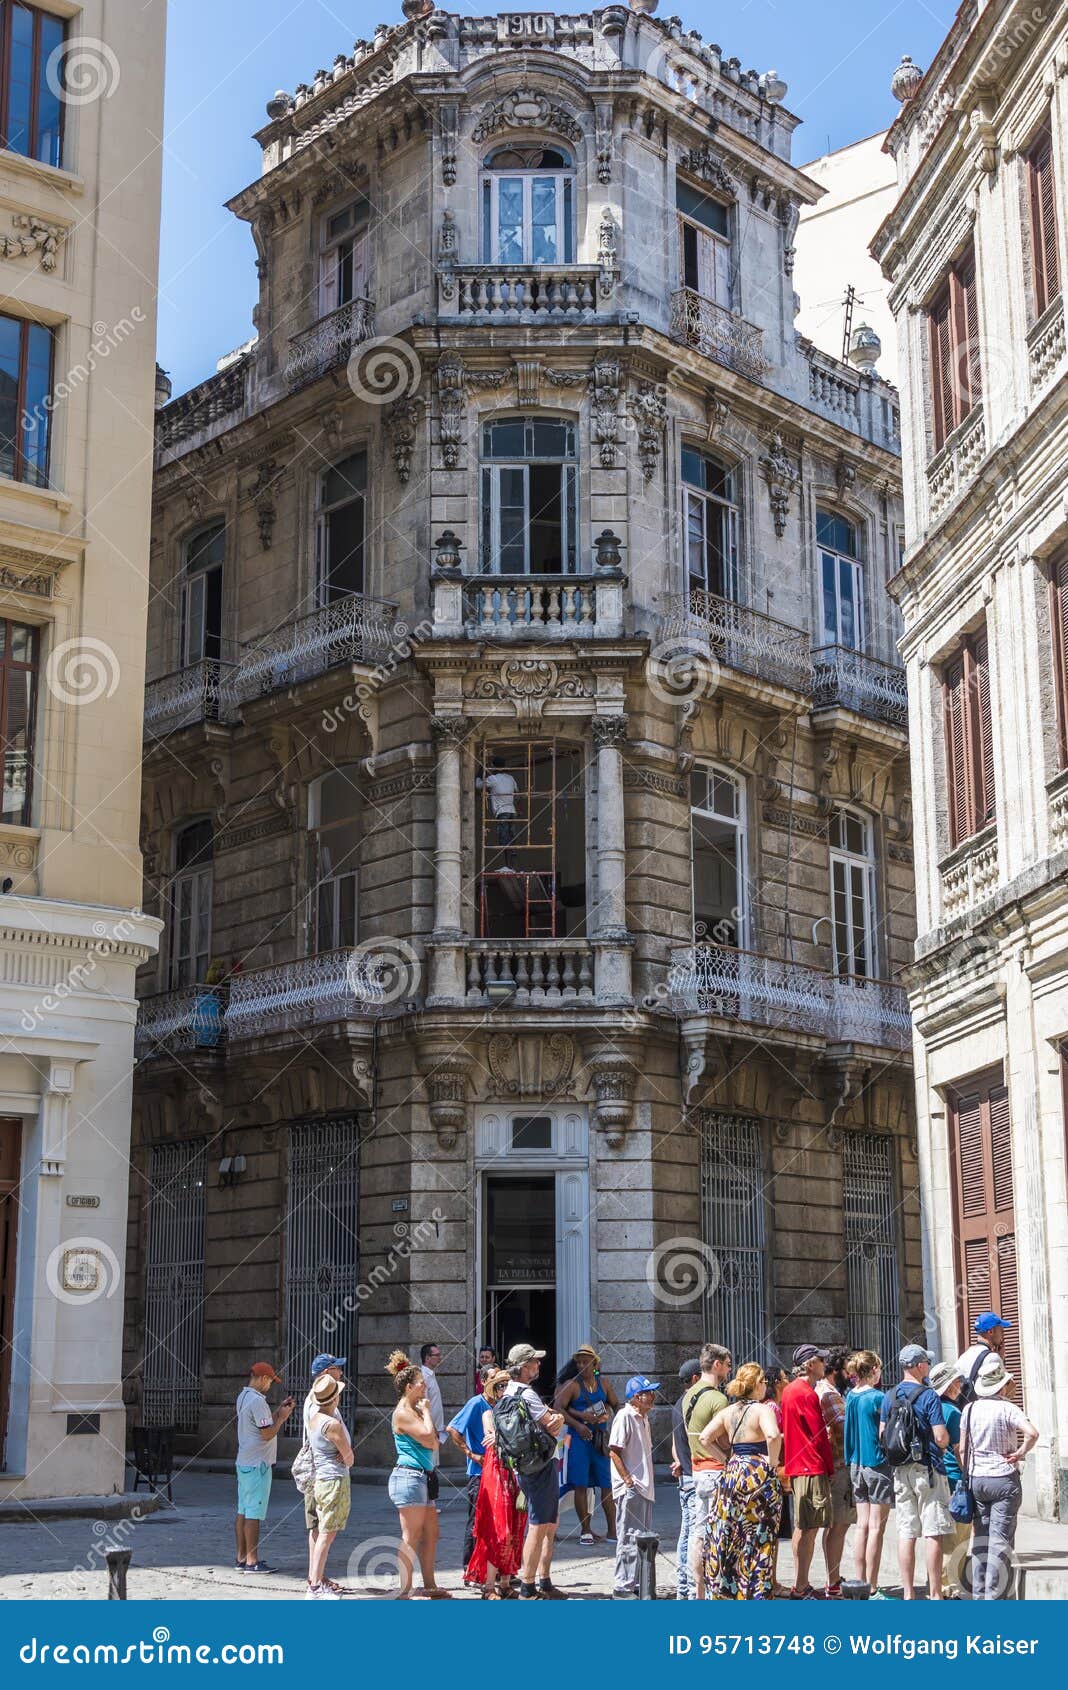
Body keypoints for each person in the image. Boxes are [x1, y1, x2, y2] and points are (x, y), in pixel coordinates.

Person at [698, 1363, 783, 1599]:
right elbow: (772, 1435)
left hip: (733, 1473)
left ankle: (729, 1591)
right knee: (759, 1535)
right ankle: (755, 1593)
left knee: (731, 1533)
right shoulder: (762, 1410)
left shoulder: (728, 1411)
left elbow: (704, 1438)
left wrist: (726, 1460)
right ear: (756, 1385)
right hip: (758, 1475)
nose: (766, 1385)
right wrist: (772, 1463)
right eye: (764, 1381)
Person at [959, 1354, 1039, 1600]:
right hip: (1003, 1477)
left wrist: (969, 1470)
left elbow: (962, 1449)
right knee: (1000, 1541)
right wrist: (1019, 1453)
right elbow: (1032, 1433)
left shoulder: (969, 1409)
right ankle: (995, 1599)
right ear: (1001, 1386)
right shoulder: (1007, 1408)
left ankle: (979, 1595)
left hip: (977, 1479)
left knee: (981, 1539)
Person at [879, 1343, 951, 1599]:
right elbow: (940, 1436)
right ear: (920, 1365)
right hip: (927, 1469)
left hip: (900, 1470)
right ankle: (935, 1593)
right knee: (933, 1531)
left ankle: (908, 1594)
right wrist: (945, 1443)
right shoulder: (929, 1395)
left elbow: (882, 1434)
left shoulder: (889, 1396)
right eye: (927, 1363)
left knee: (906, 1532)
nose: (928, 1366)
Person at [502, 1342, 568, 1600]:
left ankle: (545, 1581)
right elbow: (553, 1424)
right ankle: (528, 1587)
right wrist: (558, 1417)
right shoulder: (527, 1394)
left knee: (549, 1523)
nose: (538, 1364)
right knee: (539, 1526)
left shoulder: (508, 1391)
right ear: (522, 1367)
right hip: (540, 1465)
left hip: (526, 1464)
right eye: (534, 1361)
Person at [386, 1350, 451, 1599]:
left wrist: (425, 1417)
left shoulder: (413, 1409)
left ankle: (430, 1585)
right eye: (422, 1383)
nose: (426, 1386)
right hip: (409, 1477)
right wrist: (427, 1412)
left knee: (431, 1534)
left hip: (424, 1476)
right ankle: (404, 1589)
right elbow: (429, 1438)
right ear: (410, 1387)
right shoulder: (403, 1412)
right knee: (411, 1536)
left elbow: (431, 1441)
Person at [465, 1368, 526, 1598]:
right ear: (495, 1391)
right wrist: (506, 1436)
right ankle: (489, 1586)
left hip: (513, 1473)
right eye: (500, 1386)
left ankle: (505, 1583)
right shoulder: (488, 1413)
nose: (504, 1390)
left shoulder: (519, 1412)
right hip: (495, 1474)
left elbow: (520, 1437)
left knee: (515, 1527)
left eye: (507, 1386)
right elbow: (492, 1437)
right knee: (498, 1529)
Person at [780, 1345, 833, 1599]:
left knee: (802, 1527)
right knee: (809, 1529)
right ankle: (801, 1585)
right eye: (821, 1360)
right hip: (811, 1466)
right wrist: (829, 1467)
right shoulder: (807, 1394)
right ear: (810, 1364)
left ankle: (800, 1582)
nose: (825, 1364)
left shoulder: (789, 1391)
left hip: (798, 1465)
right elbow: (819, 1436)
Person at [554, 1343, 619, 1544]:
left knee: (606, 1484)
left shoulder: (604, 1384)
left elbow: (616, 1404)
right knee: (580, 1485)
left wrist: (610, 1416)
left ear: (595, 1364)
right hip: (579, 1440)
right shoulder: (572, 1385)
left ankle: (612, 1530)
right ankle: (585, 1530)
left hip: (599, 1441)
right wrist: (578, 1424)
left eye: (586, 1362)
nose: (582, 1365)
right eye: (579, 1362)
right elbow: (558, 1408)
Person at [681, 1342, 732, 1598]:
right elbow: (722, 1439)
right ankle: (715, 1591)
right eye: (728, 1364)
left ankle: (697, 1592)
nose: (729, 1369)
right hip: (716, 1470)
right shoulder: (718, 1399)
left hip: (697, 1471)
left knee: (698, 1534)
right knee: (719, 1534)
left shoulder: (689, 1395)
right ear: (717, 1365)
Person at [234, 1361, 294, 1573]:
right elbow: (267, 1433)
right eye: (269, 1381)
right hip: (257, 1464)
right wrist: (282, 1419)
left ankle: (241, 1558)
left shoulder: (243, 1396)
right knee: (254, 1513)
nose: (270, 1385)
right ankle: (252, 1561)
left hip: (244, 1461)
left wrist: (277, 1412)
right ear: (262, 1378)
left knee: (243, 1510)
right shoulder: (258, 1401)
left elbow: (263, 1423)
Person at [843, 1350, 892, 1598]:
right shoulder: (877, 1397)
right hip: (877, 1463)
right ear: (873, 1370)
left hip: (856, 1463)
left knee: (861, 1525)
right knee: (876, 1528)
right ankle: (873, 1586)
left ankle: (860, 1582)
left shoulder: (851, 1395)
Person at [608, 1376, 659, 1598]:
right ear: (637, 1397)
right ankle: (623, 1586)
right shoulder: (625, 1416)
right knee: (629, 1537)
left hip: (644, 1487)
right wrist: (628, 1481)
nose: (653, 1396)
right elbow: (614, 1451)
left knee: (640, 1538)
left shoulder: (643, 1418)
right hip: (632, 1487)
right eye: (649, 1393)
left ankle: (636, 1582)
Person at [302, 1352, 349, 1595]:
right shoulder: (317, 1403)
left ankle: (317, 1578)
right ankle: (315, 1581)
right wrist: (342, 1451)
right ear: (325, 1374)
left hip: (323, 1470)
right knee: (319, 1528)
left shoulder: (322, 1401)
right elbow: (325, 1437)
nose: (340, 1372)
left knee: (321, 1528)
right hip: (321, 1473)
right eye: (336, 1368)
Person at [815, 1345, 856, 1598]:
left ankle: (833, 1577)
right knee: (839, 1525)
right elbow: (843, 1427)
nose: (849, 1375)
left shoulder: (828, 1392)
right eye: (846, 1370)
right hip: (839, 1465)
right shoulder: (829, 1395)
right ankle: (833, 1582)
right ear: (835, 1370)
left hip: (835, 1464)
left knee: (834, 1527)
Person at [929, 1360, 970, 1599]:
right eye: (957, 1381)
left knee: (940, 1534)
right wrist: (968, 1476)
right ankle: (950, 1587)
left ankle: (939, 1584)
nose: (961, 1386)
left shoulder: (931, 1408)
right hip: (955, 1479)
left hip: (935, 1477)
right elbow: (959, 1450)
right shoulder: (953, 1413)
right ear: (949, 1386)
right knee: (958, 1537)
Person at [447, 1368, 493, 1573]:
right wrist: (471, 1454)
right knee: (476, 1520)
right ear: (483, 1381)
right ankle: (470, 1567)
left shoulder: (501, 1403)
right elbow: (453, 1429)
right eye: (494, 1379)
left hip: (498, 1472)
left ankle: (492, 1568)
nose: (499, 1385)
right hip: (479, 1473)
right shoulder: (476, 1403)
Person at [671, 1358, 702, 1599]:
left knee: (687, 1532)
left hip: (685, 1476)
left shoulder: (678, 1405)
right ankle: (691, 1589)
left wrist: (679, 1459)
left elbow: (674, 1444)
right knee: (694, 1535)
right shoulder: (692, 1404)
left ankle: (683, 1586)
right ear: (695, 1378)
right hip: (693, 1475)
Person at [957, 1313, 1013, 1402]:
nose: (1002, 1336)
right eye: (1001, 1331)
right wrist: (1001, 1360)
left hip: (969, 1408)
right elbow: (1008, 1392)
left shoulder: (964, 1356)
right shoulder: (992, 1358)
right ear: (991, 1331)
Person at [419, 1342, 447, 1467]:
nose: (440, 1358)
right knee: (429, 1467)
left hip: (434, 1430)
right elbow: (423, 1406)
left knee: (433, 1466)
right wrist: (433, 1429)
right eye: (437, 1355)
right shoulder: (423, 1376)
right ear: (427, 1358)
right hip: (430, 1430)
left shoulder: (430, 1374)